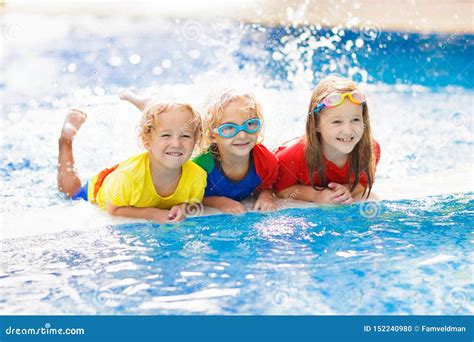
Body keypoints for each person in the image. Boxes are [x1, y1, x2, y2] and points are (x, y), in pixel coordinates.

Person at [57, 99, 206, 223]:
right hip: (104, 184)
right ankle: (66, 141)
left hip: (136, 170)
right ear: (146, 141)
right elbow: (113, 209)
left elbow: (193, 202)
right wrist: (153, 214)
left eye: (185, 136)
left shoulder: (197, 176)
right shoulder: (127, 178)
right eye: (166, 135)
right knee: (71, 193)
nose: (176, 143)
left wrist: (183, 208)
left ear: (196, 140)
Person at [275, 75, 381, 204]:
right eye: (337, 121)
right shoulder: (290, 157)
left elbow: (362, 183)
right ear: (316, 124)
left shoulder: (369, 149)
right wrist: (315, 195)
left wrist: (346, 191)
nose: (347, 131)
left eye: (355, 119)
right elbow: (279, 189)